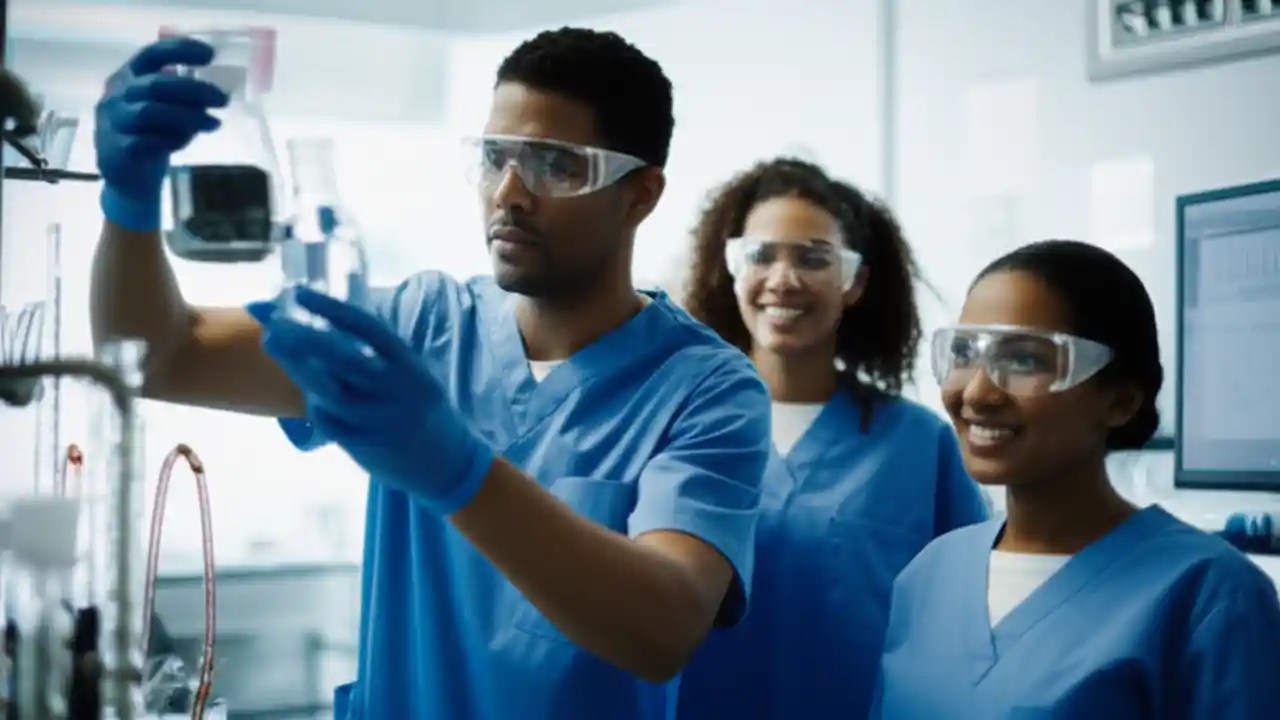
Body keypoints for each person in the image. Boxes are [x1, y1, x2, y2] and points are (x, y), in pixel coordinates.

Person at [90, 29, 773, 720]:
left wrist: (457, 469)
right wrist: (128, 206)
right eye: (495, 157)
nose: (509, 192)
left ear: (640, 196)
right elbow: (157, 356)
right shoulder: (420, 325)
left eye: (556, 165)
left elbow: (663, 630)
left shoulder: (706, 389)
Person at [872, 240, 1280, 719]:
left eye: (1024, 360)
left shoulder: (1209, 594)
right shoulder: (929, 575)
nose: (978, 393)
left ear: (1121, 401)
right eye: (963, 353)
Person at [675, 158, 990, 718]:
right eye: (761, 255)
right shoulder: (678, 426)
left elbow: (968, 625)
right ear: (731, 268)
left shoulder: (920, 447)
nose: (783, 279)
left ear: (855, 282)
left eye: (813, 258)